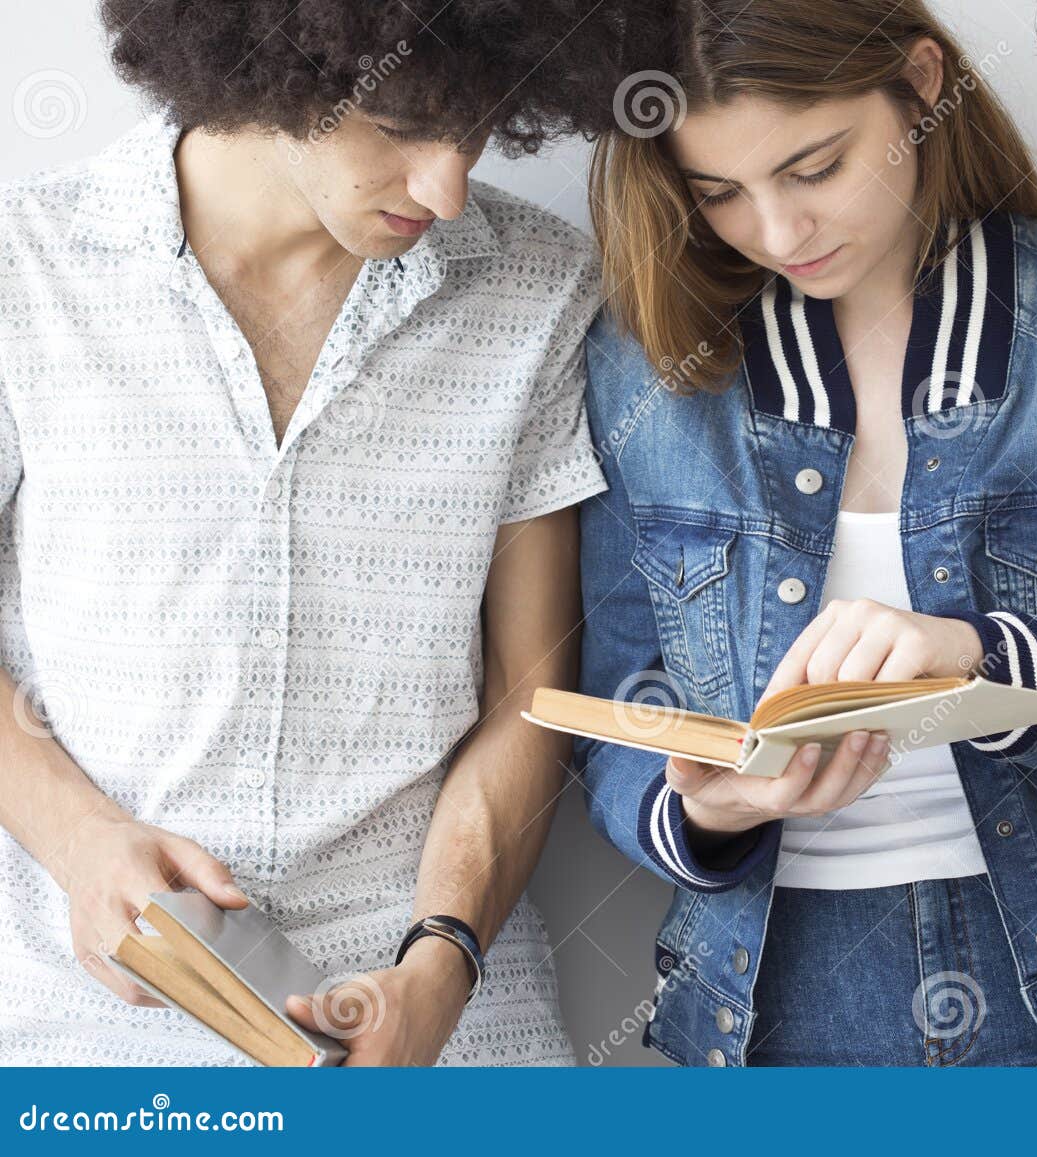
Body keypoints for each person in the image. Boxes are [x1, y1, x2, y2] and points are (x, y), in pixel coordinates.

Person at [576, 0, 1037, 1067]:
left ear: (921, 86)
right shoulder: (646, 364)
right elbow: (614, 711)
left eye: (815, 167)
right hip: (769, 1012)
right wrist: (714, 810)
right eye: (720, 194)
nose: (780, 233)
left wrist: (980, 656)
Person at [0, 0, 636, 1065]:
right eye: (397, 126)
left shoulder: (534, 286)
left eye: (478, 130)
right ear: (271, 61)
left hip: (452, 1022)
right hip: (90, 1022)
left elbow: (530, 694)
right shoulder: (28, 266)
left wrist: (441, 962)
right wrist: (82, 844)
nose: (445, 186)